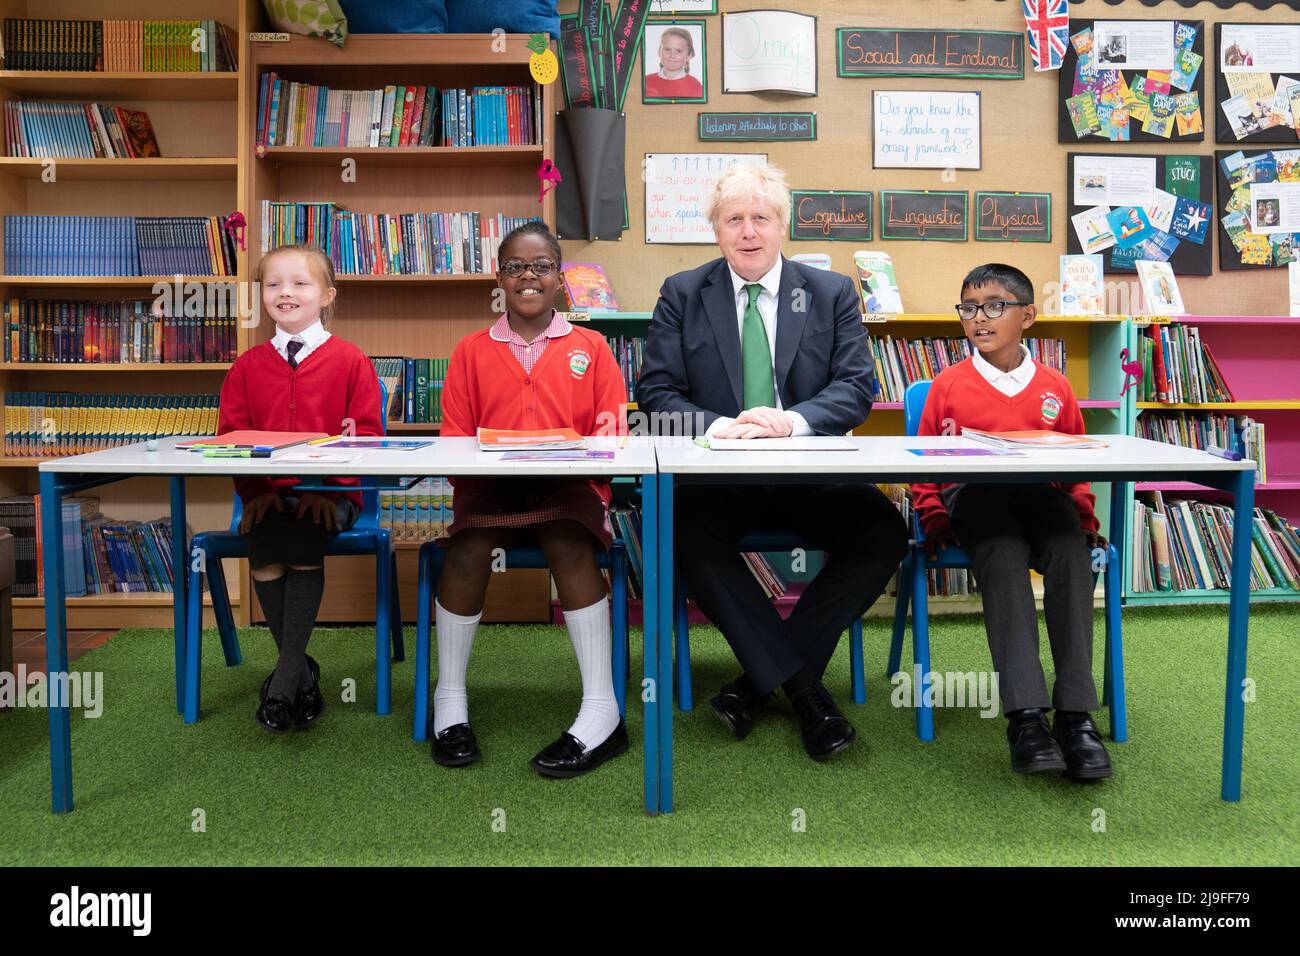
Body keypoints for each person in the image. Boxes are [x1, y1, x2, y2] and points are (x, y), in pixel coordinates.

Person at [635, 161, 909, 761]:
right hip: (720, 476)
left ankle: (756, 685)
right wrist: (721, 426)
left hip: (809, 472)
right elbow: (655, 392)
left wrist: (790, 420)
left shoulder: (831, 292)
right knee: (681, 531)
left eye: (761, 217)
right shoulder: (683, 293)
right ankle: (807, 692)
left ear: (783, 225)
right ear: (717, 230)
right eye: (734, 219)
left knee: (883, 532)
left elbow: (856, 388)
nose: (748, 231)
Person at [432, 221, 630, 778]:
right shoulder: (470, 351)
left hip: (567, 490)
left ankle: (602, 709)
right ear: (499, 278)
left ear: (559, 278)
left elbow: (612, 434)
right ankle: (450, 702)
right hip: (490, 491)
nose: (528, 276)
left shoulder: (591, 348)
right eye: (516, 266)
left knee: (570, 543)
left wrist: (571, 456)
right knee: (467, 549)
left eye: (541, 266)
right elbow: (453, 442)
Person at [910, 263, 1113, 780]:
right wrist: (934, 518)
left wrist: (1083, 517)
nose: (980, 318)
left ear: (1028, 316)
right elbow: (922, 469)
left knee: (1069, 551)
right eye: (970, 307)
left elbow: (1078, 466)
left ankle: (1075, 716)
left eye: (995, 306)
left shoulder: (1055, 386)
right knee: (1000, 549)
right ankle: (1025, 718)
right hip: (976, 499)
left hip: (1042, 496)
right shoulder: (947, 386)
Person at [217, 243, 382, 733]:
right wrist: (255, 491)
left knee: (303, 530)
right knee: (266, 536)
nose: (285, 292)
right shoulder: (246, 367)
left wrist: (325, 489)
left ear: (327, 295)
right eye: (273, 284)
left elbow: (367, 439)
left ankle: (285, 682)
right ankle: (298, 675)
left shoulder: (351, 362)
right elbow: (231, 439)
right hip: (268, 496)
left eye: (300, 283)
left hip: (332, 499)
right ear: (261, 295)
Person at [644, 27, 704, 99]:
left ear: (689, 55)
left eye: (678, 51)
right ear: (659, 52)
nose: (672, 55)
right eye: (667, 49)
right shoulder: (646, 82)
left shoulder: (695, 86)